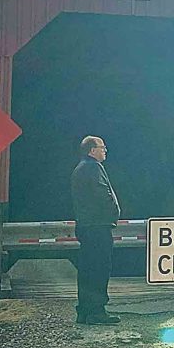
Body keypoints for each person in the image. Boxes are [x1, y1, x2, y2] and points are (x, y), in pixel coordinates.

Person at [70, 135, 121, 324]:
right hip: (97, 227)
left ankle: (84, 311)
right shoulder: (93, 167)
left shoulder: (79, 169)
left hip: (86, 226)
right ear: (92, 150)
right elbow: (102, 194)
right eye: (102, 147)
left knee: (87, 269)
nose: (105, 150)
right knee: (99, 269)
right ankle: (96, 311)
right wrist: (113, 212)